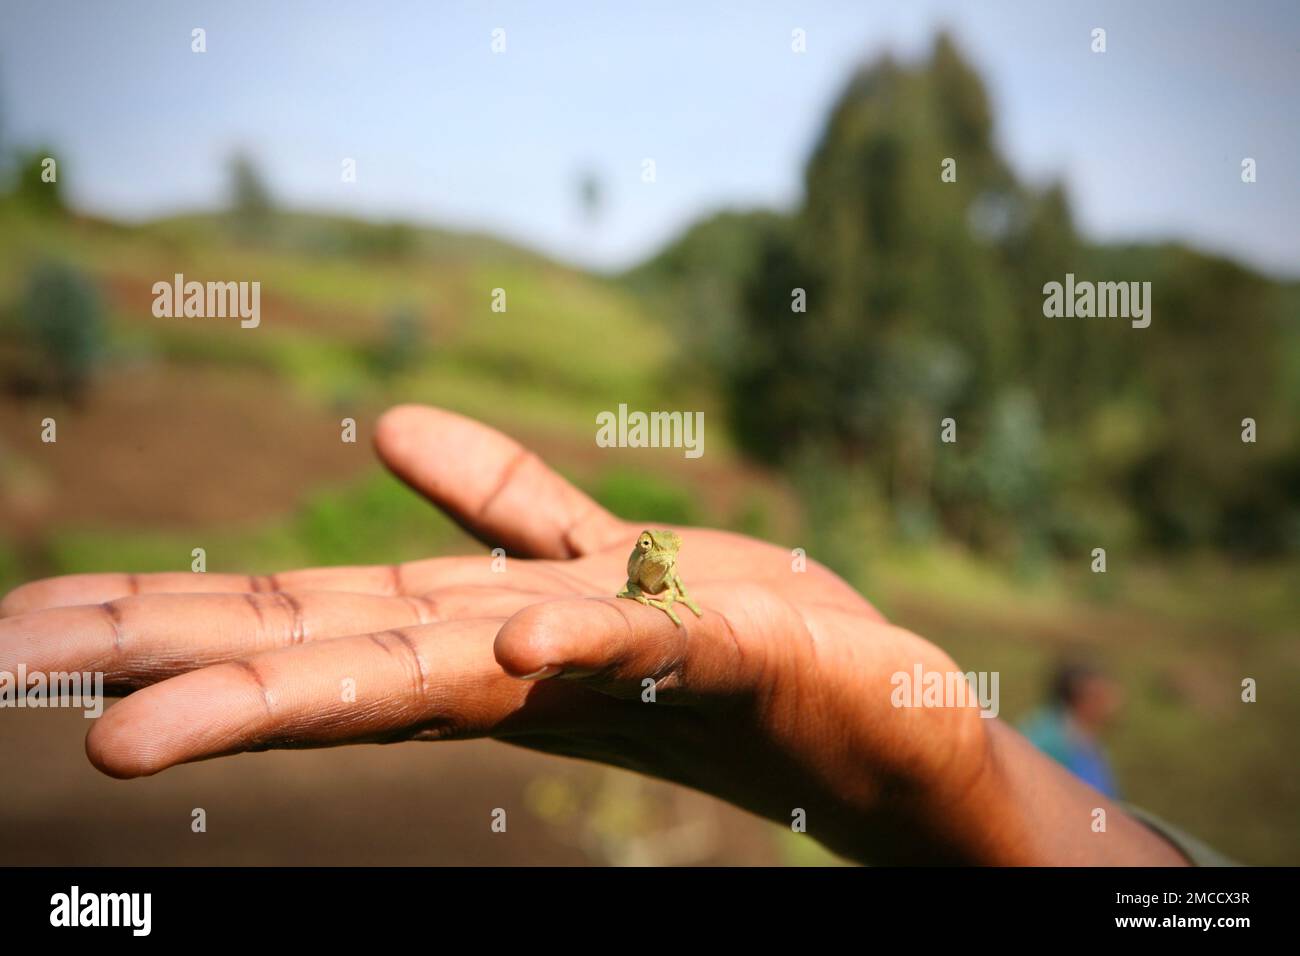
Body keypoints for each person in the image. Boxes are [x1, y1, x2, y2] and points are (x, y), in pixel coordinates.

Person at [0, 405, 1217, 865]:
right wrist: (983, 801)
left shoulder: (678, 582)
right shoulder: (652, 574)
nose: (663, 561)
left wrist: (977, 788)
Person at [1021, 661, 1121, 798]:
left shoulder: (1088, 742)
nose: (1111, 702)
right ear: (1080, 698)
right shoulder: (1048, 742)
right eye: (1099, 695)